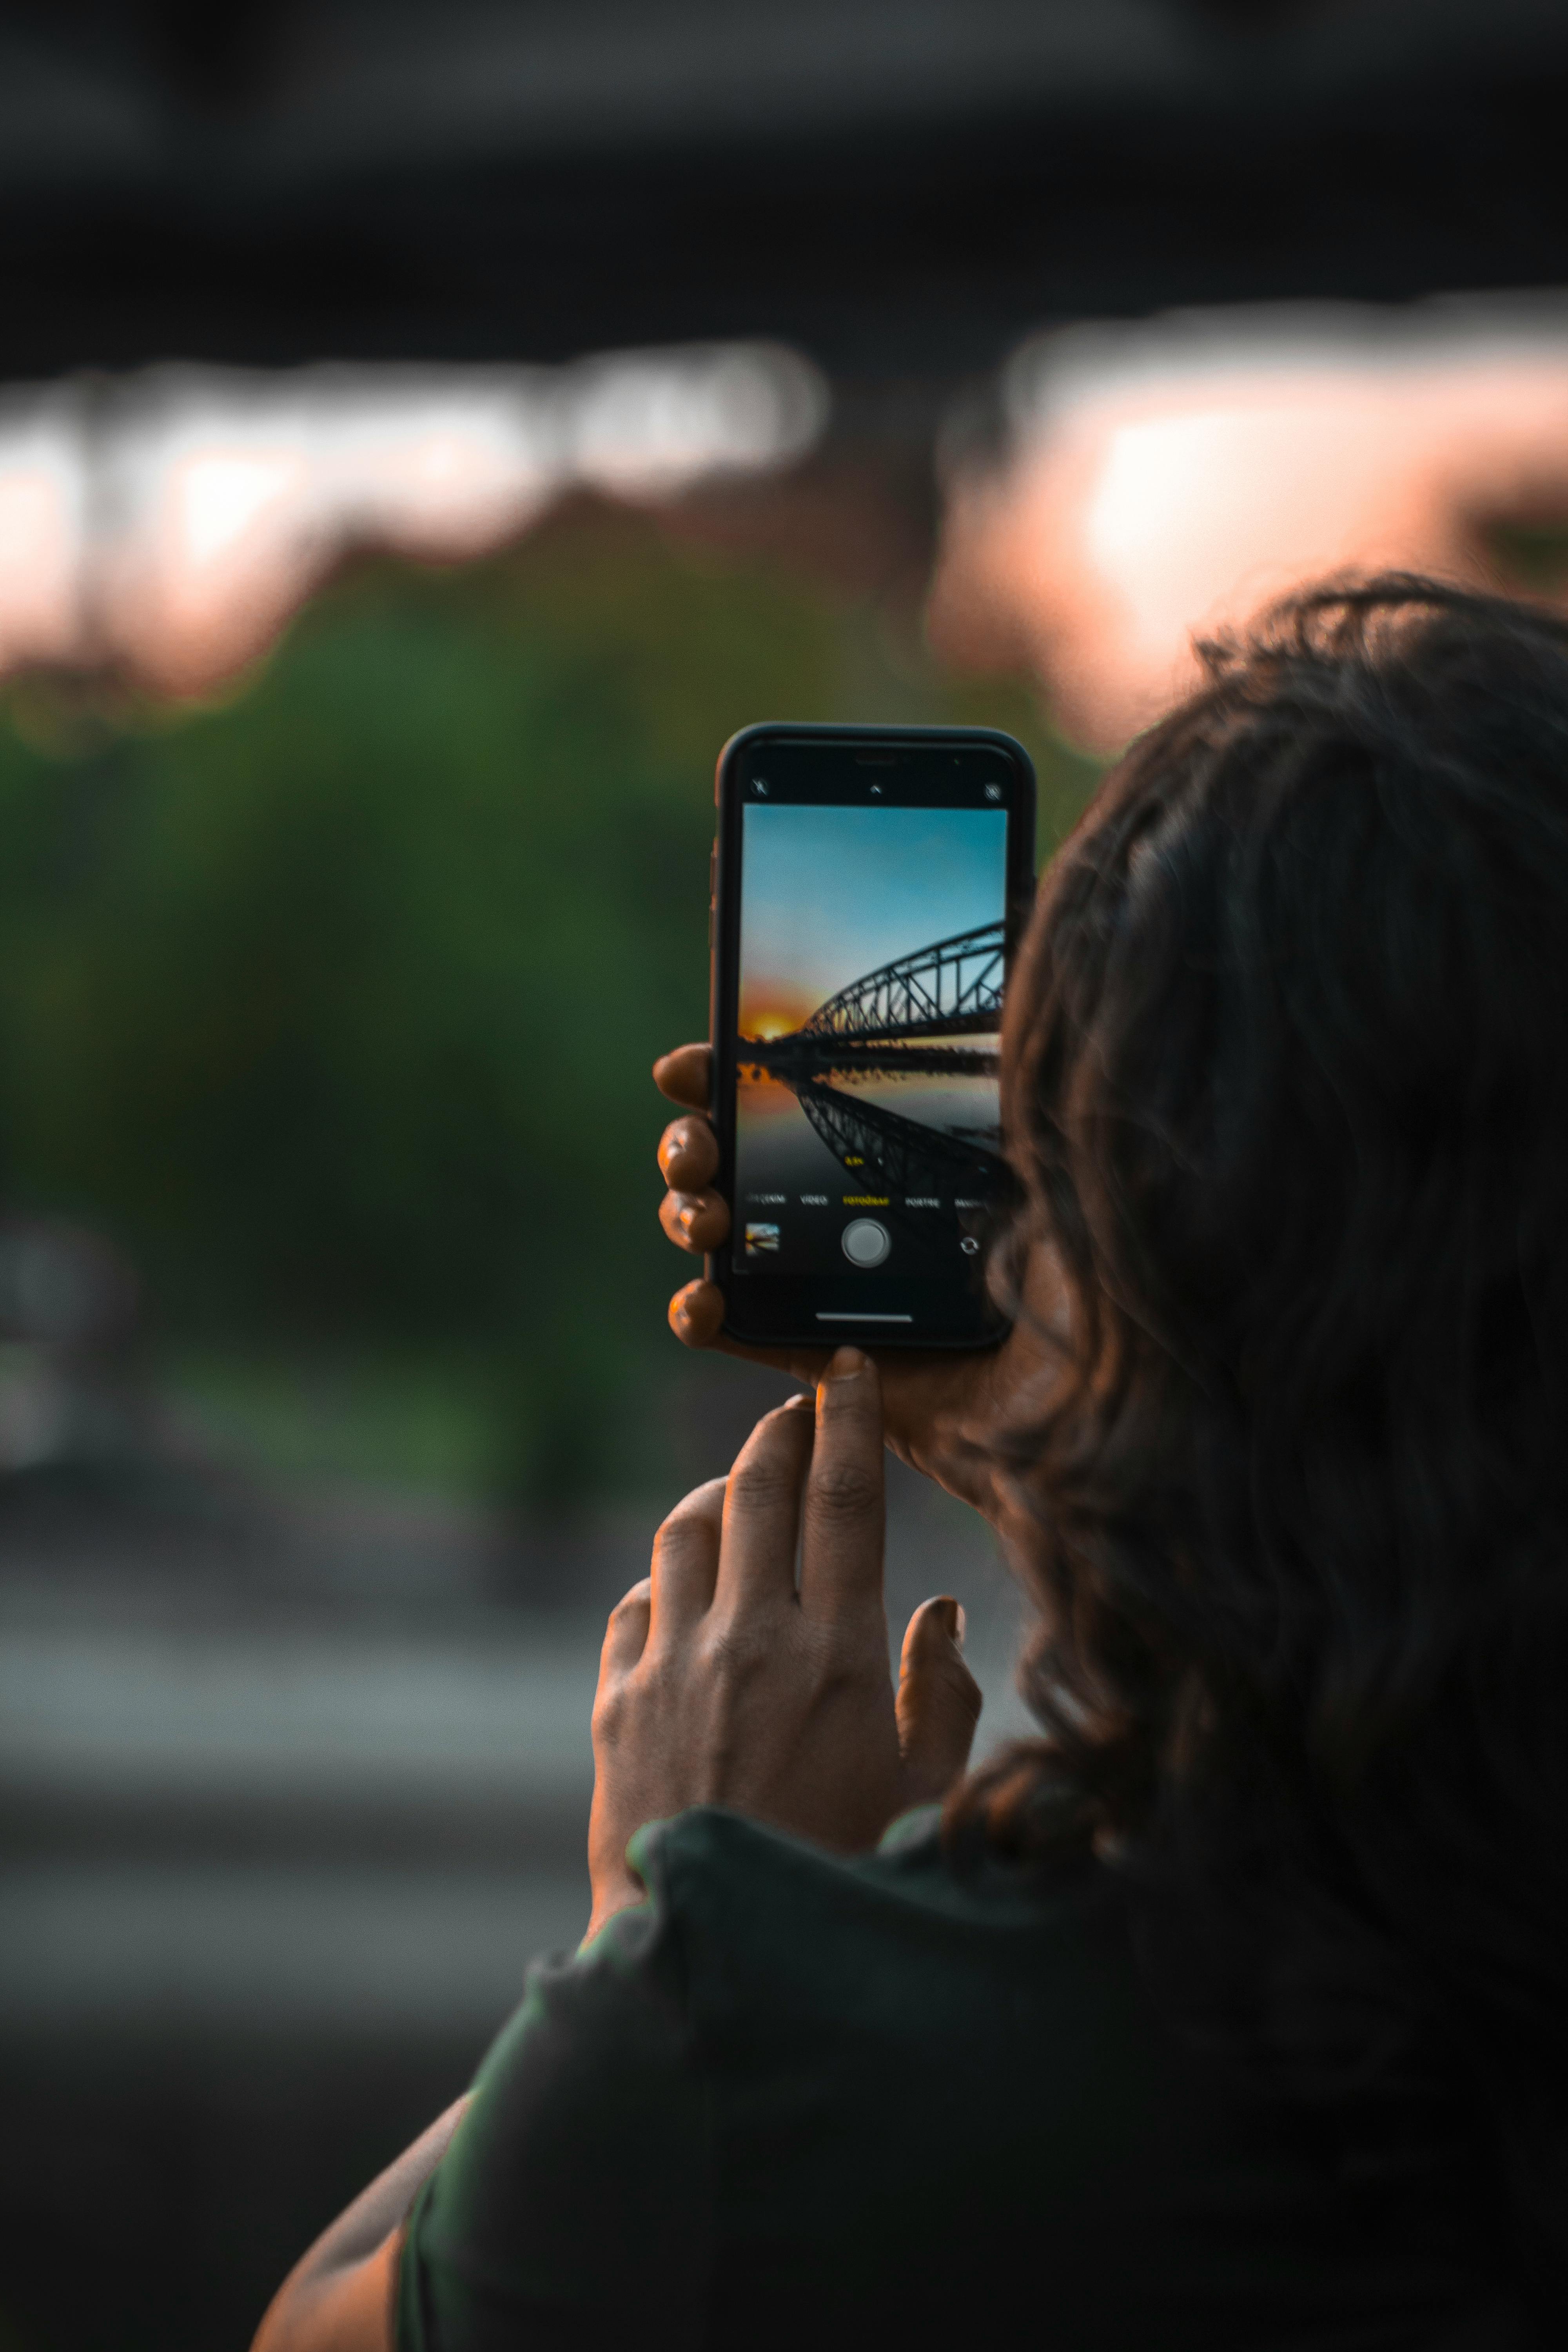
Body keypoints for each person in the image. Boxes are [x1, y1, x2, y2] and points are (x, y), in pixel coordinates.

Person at [253, 577, 1568, 2351]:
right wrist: (1046, 1410)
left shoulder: (773, 2079)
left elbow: (313, 2320)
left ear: (1125, 1225)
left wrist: (678, 1901)